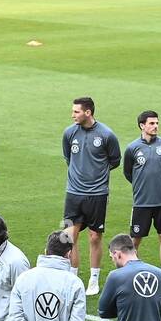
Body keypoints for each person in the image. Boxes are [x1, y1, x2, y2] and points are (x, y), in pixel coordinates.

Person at [61, 97, 121, 295]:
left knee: (95, 237)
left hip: (97, 194)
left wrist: (96, 175)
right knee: (69, 237)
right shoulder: (69, 133)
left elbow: (114, 160)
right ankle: (72, 278)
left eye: (76, 111)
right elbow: (68, 157)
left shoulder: (106, 135)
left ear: (88, 112)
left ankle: (93, 280)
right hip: (73, 193)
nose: (72, 115)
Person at [121, 110, 161, 289]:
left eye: (157, 123)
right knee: (134, 240)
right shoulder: (132, 148)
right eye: (151, 123)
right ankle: (130, 272)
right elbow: (128, 173)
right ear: (142, 126)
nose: (155, 126)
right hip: (142, 202)